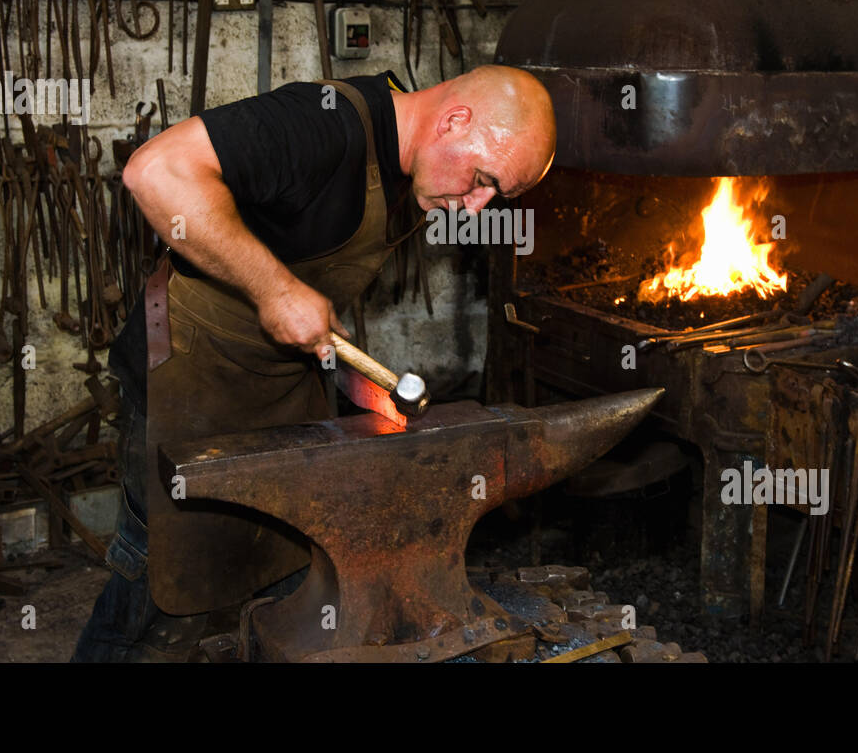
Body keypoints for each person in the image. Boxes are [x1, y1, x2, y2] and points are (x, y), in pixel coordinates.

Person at [72, 65, 556, 661]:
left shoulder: (399, 159)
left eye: (495, 196)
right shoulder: (323, 122)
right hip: (190, 381)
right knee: (159, 587)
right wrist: (275, 289)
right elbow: (155, 170)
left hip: (280, 384)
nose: (478, 207)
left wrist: (334, 354)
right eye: (483, 179)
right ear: (455, 120)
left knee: (287, 577)